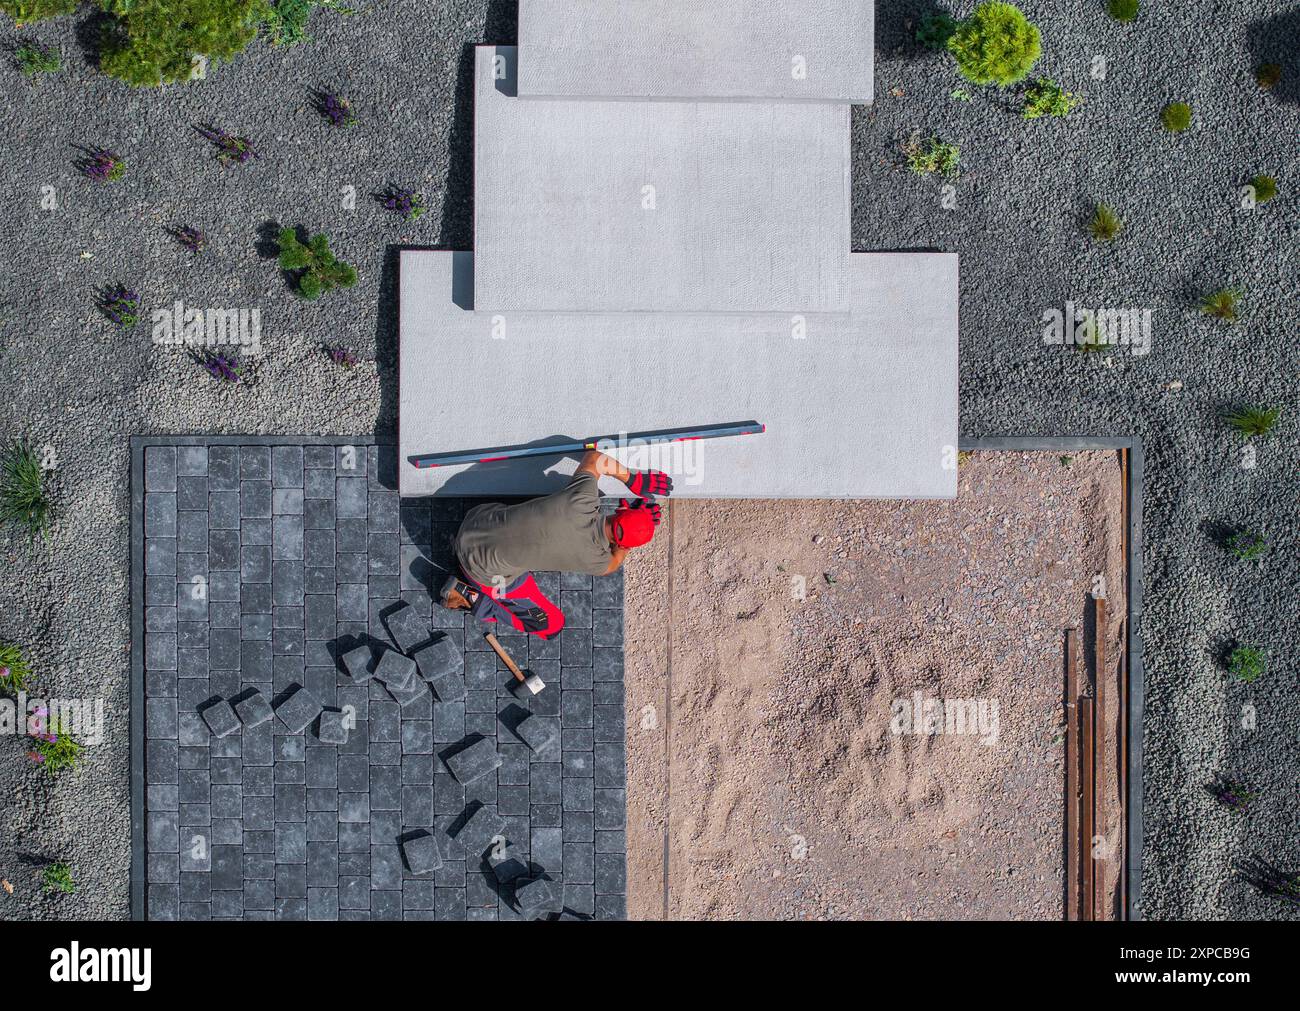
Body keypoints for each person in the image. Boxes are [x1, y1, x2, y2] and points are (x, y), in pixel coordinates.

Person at [438, 450, 673, 638]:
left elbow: (594, 457)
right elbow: (614, 562)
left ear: (621, 508)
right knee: (549, 624)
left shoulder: (581, 498)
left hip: (474, 520)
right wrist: (627, 542)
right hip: (481, 571)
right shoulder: (598, 561)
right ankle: (472, 598)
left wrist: (633, 479)